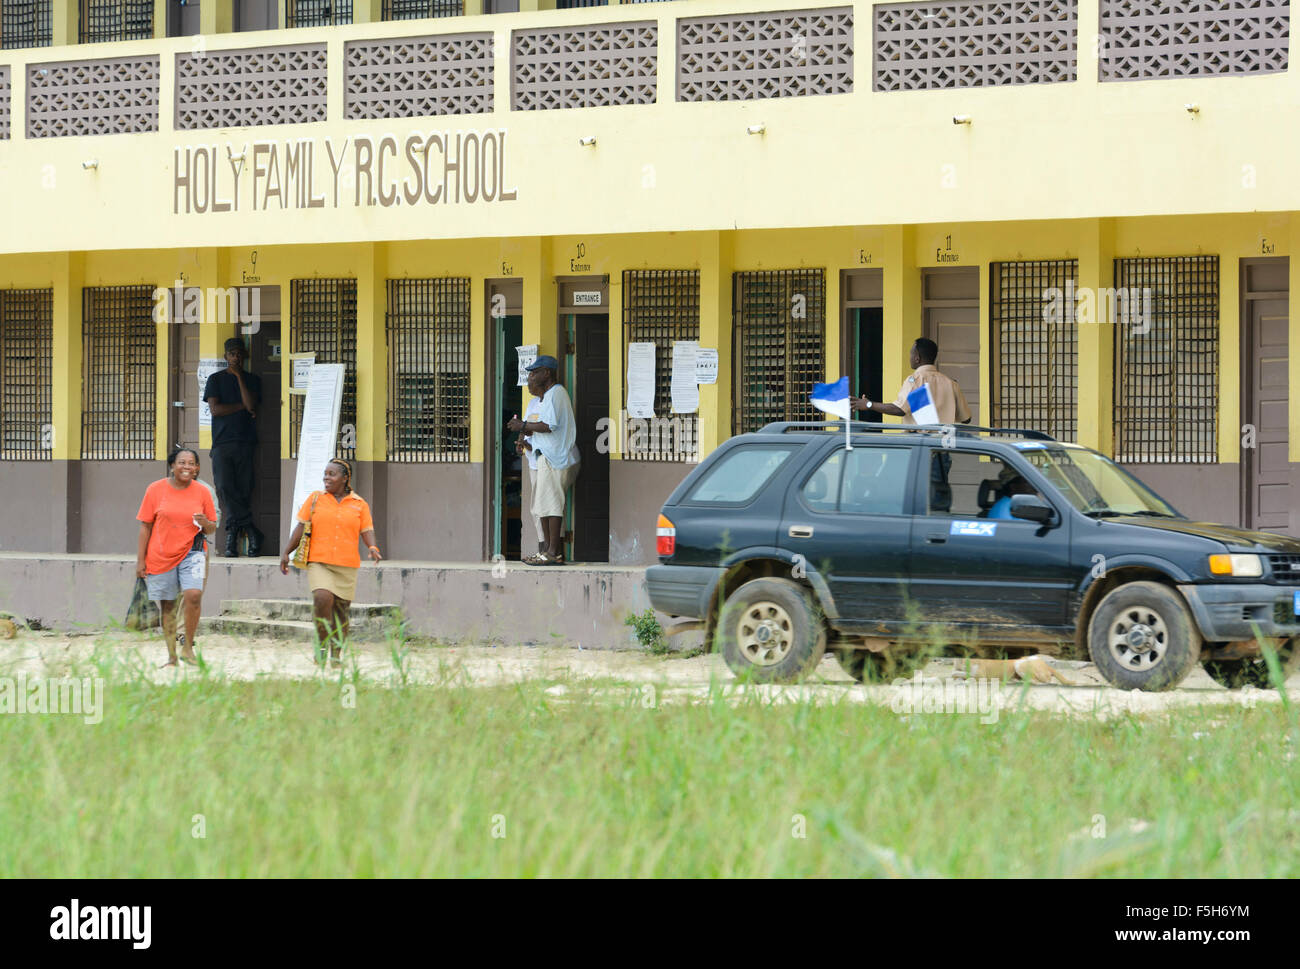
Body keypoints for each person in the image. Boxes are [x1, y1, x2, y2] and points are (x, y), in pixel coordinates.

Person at [278, 459, 383, 667]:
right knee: (322, 598)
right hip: (320, 562)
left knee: (341, 612)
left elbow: (367, 530)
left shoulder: (359, 504)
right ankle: (321, 647)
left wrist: (373, 548)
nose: (326, 477)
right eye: (325, 474)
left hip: (346, 564)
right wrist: (287, 552)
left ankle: (335, 655)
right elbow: (300, 527)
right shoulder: (315, 499)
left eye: (332, 474)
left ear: (345, 478)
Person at [852, 337, 972, 512]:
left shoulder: (915, 380)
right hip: (941, 453)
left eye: (910, 352)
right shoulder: (950, 383)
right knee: (935, 507)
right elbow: (966, 418)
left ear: (917, 357)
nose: (909, 356)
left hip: (917, 451)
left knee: (905, 503)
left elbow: (900, 409)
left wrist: (868, 405)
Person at [136, 447, 218, 668]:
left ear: (197, 468)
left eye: (191, 463)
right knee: (168, 606)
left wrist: (205, 523)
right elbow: (145, 527)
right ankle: (172, 656)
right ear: (172, 466)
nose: (186, 467)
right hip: (160, 555)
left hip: (194, 551)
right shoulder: (155, 490)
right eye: (182, 462)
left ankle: (188, 648)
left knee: (193, 595)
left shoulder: (203, 492)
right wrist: (140, 561)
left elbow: (212, 528)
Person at [506, 356, 580, 566]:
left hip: (554, 459)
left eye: (534, 372)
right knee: (544, 507)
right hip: (546, 458)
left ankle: (552, 552)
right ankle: (547, 551)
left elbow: (548, 426)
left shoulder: (556, 392)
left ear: (546, 372)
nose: (530, 376)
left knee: (552, 506)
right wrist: (525, 437)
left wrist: (522, 425)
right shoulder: (549, 395)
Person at [205, 337, 264, 557]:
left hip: (246, 442)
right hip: (221, 443)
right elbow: (215, 410)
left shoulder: (253, 380)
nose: (236, 357)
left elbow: (251, 404)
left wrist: (239, 377)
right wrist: (242, 407)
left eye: (239, 353)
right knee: (224, 486)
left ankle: (232, 539)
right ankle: (249, 529)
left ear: (244, 356)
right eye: (232, 354)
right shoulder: (215, 379)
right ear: (225, 356)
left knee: (244, 489)